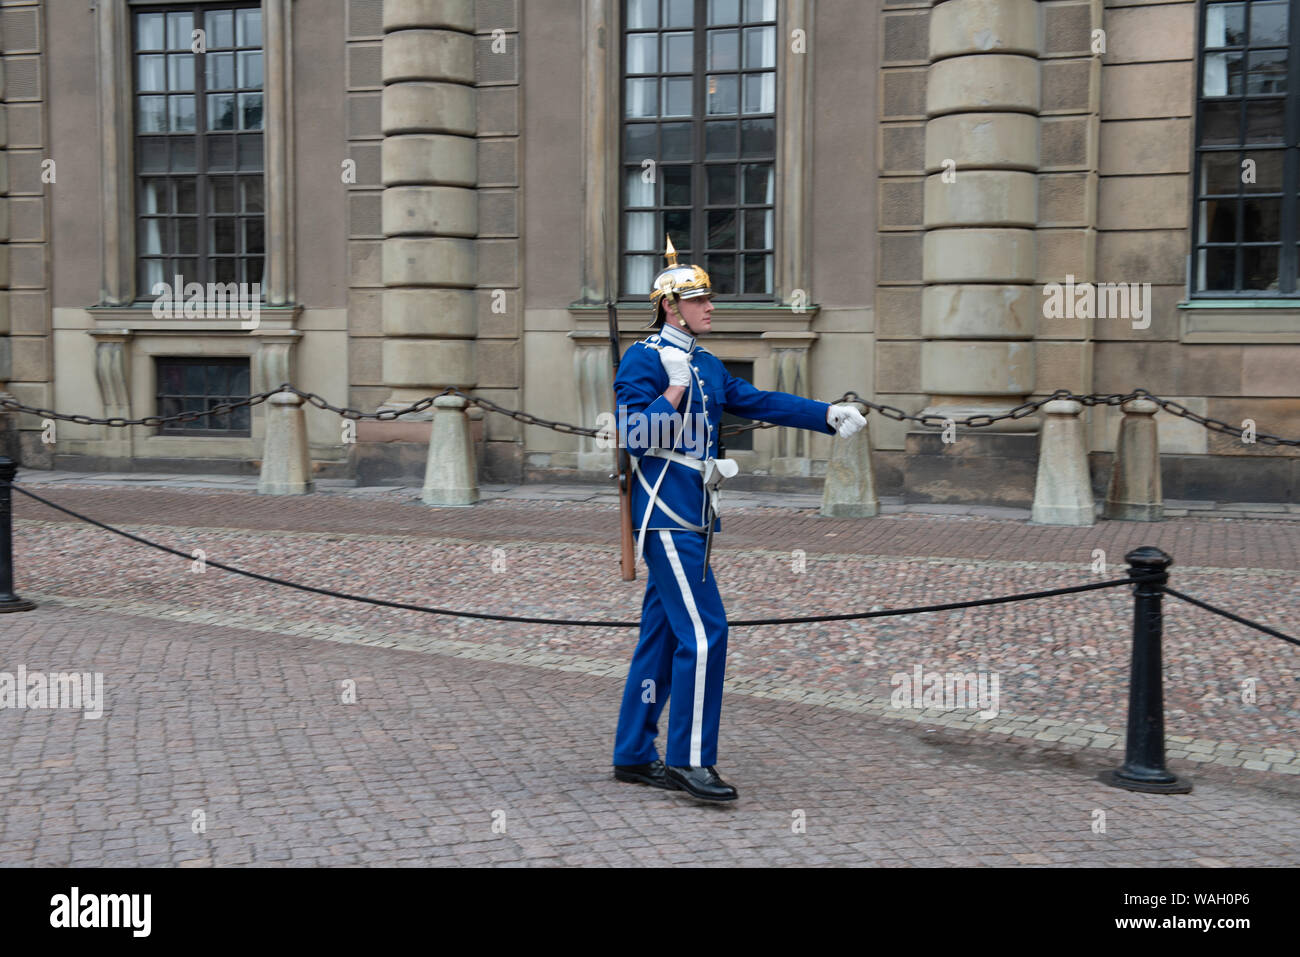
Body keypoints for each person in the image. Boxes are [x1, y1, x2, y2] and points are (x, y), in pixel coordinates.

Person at [610, 238, 866, 803]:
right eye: (699, 301)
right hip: (665, 513)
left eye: (708, 299)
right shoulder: (645, 358)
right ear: (671, 307)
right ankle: (689, 760)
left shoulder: (705, 361)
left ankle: (632, 753)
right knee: (705, 635)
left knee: (661, 639)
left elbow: (758, 400)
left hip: (696, 513)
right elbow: (634, 437)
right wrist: (672, 387)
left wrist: (823, 414)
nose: (710, 308)